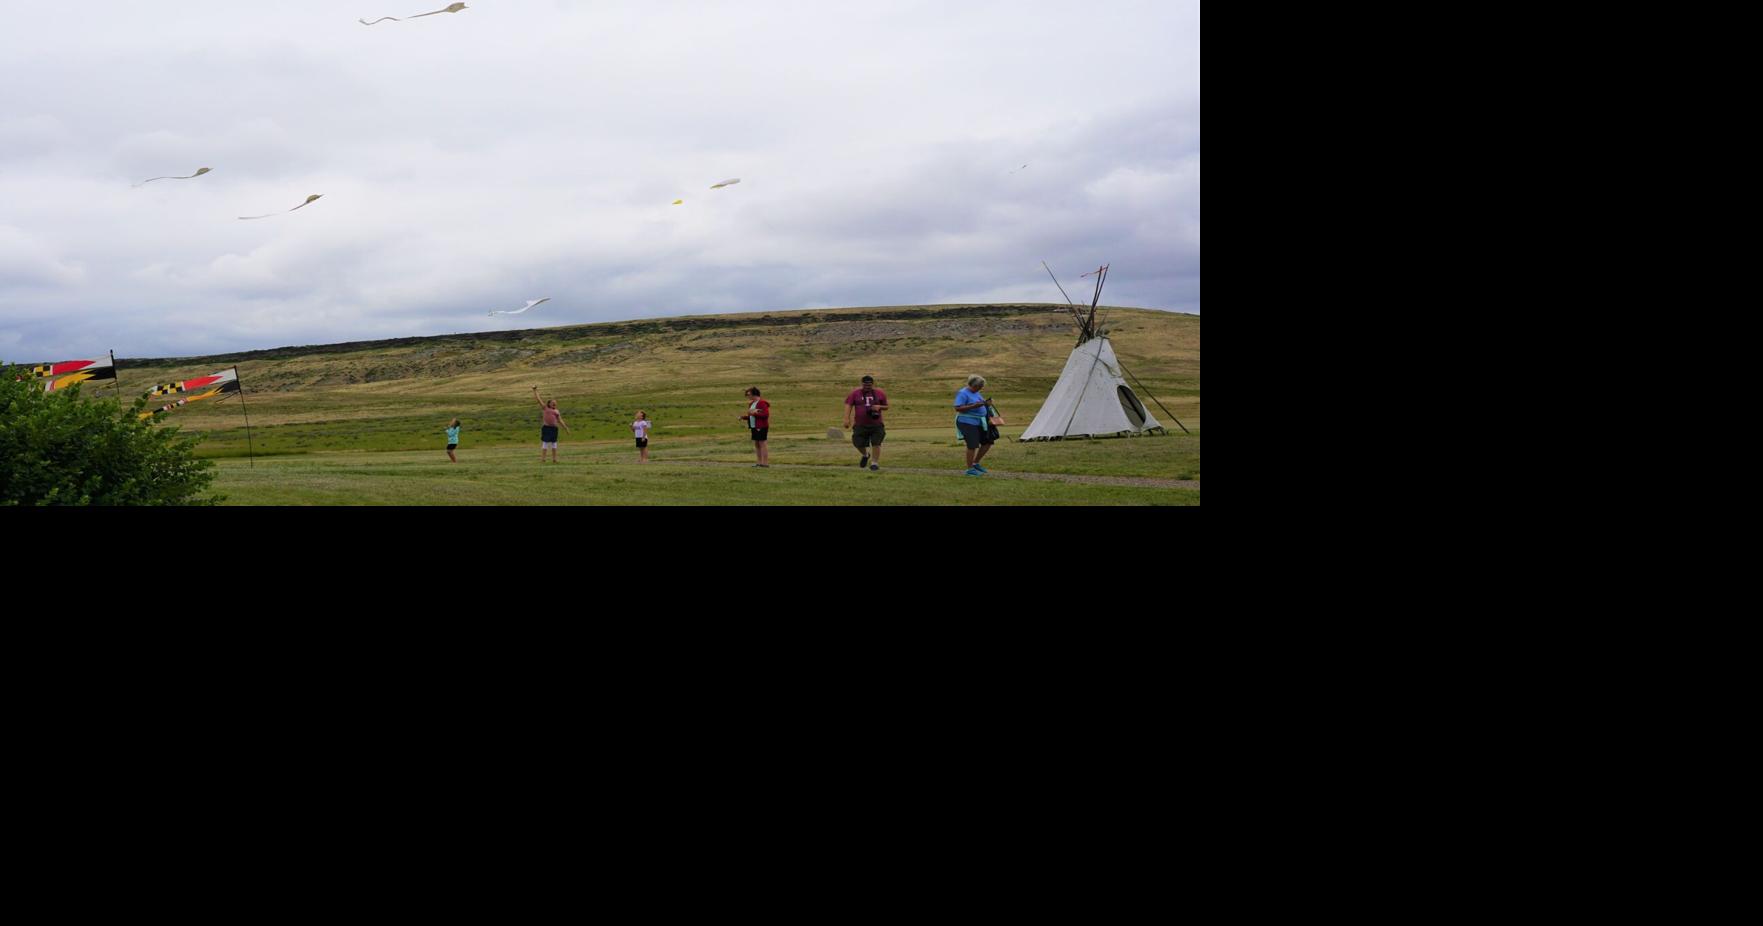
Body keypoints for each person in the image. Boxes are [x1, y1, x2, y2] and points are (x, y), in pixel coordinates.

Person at [843, 374, 889, 472]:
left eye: (869, 385)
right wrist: (846, 419)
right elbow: (848, 405)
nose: (867, 387)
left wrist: (879, 407)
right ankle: (865, 455)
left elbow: (886, 406)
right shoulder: (855, 393)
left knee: (876, 443)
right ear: (862, 384)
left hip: (876, 424)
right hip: (860, 424)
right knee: (858, 443)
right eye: (865, 385)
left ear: (873, 384)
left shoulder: (880, 393)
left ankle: (874, 463)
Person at [954, 375, 996, 476]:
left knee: (988, 441)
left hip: (980, 422)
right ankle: (970, 469)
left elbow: (980, 403)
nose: (981, 388)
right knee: (972, 445)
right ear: (974, 385)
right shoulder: (963, 393)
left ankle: (975, 463)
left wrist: (986, 404)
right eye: (980, 386)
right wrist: (975, 405)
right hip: (967, 422)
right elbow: (957, 408)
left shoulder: (976, 392)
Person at [532, 385, 571, 463]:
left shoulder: (557, 411)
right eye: (553, 403)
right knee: (545, 443)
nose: (554, 404)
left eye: (555, 403)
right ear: (549, 404)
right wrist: (535, 390)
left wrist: (566, 428)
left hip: (554, 429)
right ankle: (543, 459)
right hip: (546, 428)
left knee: (554, 444)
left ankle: (554, 459)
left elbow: (560, 420)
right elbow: (539, 400)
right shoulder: (545, 408)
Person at [741, 387, 771, 467]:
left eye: (749, 394)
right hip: (754, 426)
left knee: (762, 444)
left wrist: (753, 414)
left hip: (761, 426)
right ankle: (759, 463)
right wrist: (744, 417)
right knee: (757, 444)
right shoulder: (751, 404)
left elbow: (765, 415)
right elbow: (751, 416)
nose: (748, 396)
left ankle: (765, 463)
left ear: (755, 394)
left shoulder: (762, 403)